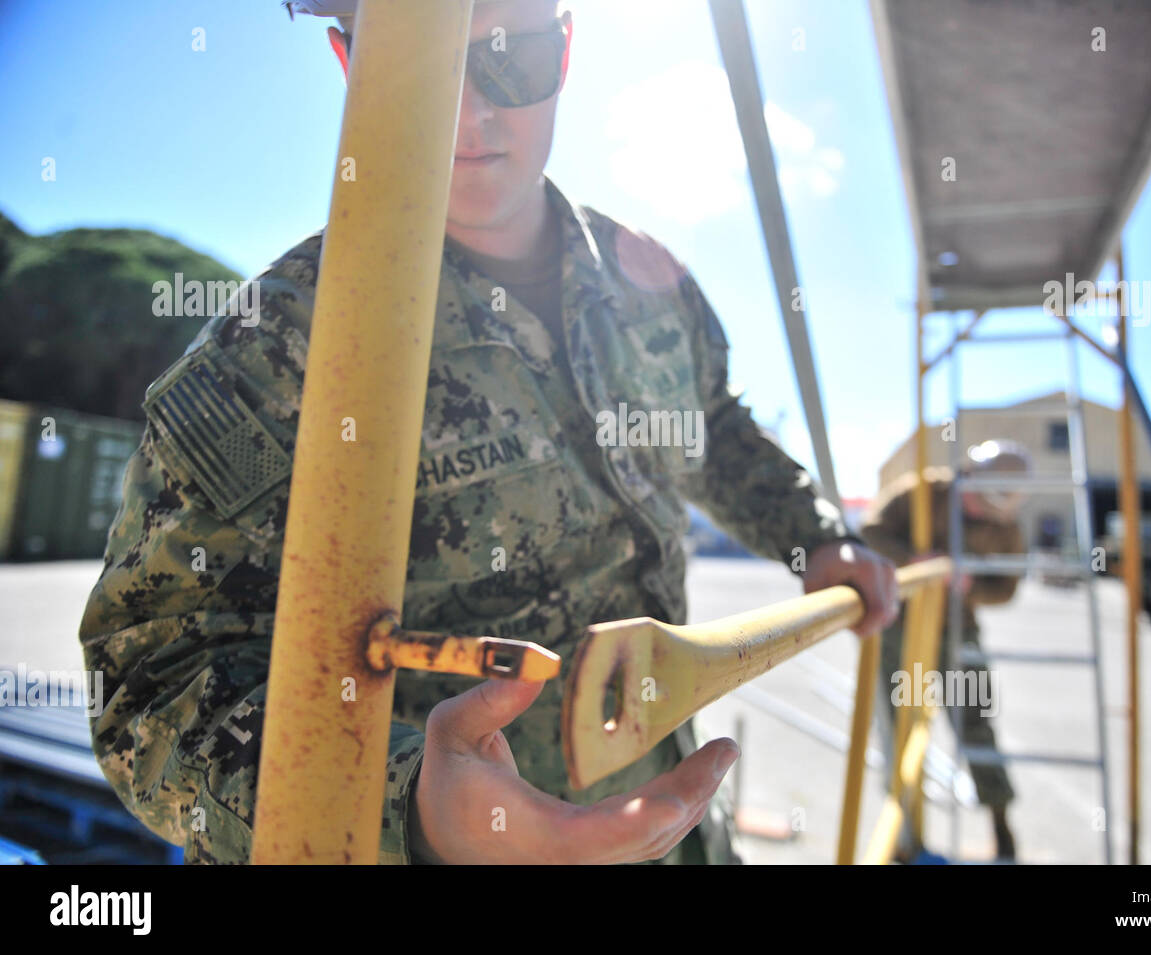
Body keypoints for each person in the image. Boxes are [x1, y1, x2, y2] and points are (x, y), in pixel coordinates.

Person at [78, 0, 898, 865]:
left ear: (569, 50)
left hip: (672, 827)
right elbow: (152, 685)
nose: (470, 113)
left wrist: (816, 538)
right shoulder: (274, 356)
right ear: (350, 64)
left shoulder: (648, 283)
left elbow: (714, 429)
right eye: (425, 65)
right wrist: (410, 811)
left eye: (512, 59)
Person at [859, 440, 1031, 861]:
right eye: (975, 500)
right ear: (966, 474)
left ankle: (1001, 827)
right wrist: (919, 561)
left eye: (988, 510)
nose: (977, 512)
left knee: (976, 725)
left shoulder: (1005, 529)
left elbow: (1006, 588)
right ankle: (904, 836)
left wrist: (971, 586)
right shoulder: (919, 493)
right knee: (900, 726)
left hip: (958, 631)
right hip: (900, 625)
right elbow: (870, 533)